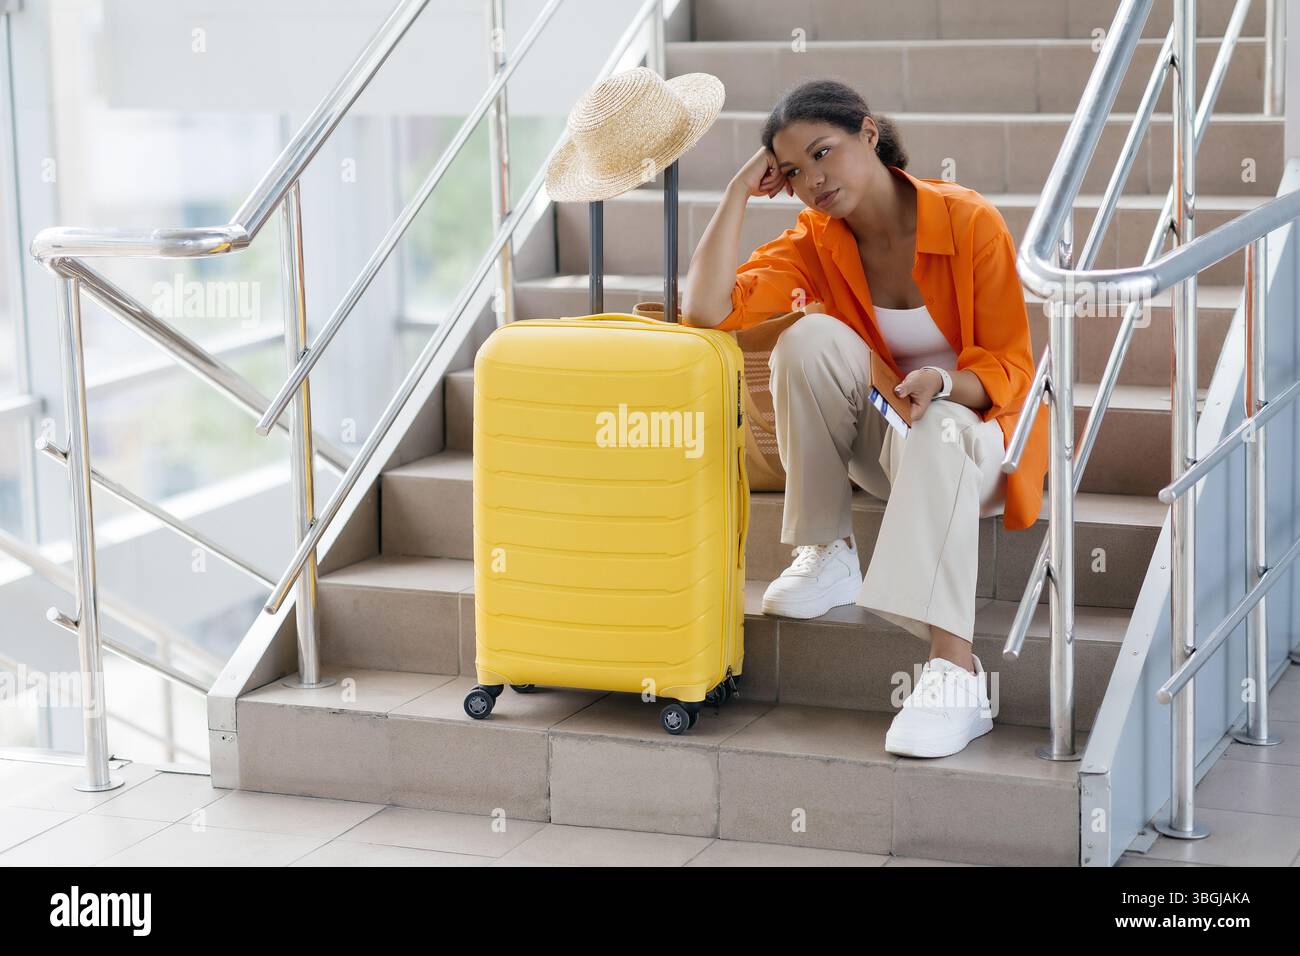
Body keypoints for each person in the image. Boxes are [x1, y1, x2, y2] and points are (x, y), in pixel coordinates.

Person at [681, 79, 1048, 758]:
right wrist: (736, 190)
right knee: (806, 340)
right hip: (893, 450)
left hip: (982, 447)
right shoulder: (817, 241)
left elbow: (1014, 368)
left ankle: (955, 671)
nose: (812, 181)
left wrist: (942, 382)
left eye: (823, 154)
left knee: (939, 424)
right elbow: (705, 310)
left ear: (868, 135)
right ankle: (829, 551)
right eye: (791, 171)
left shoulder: (969, 221)